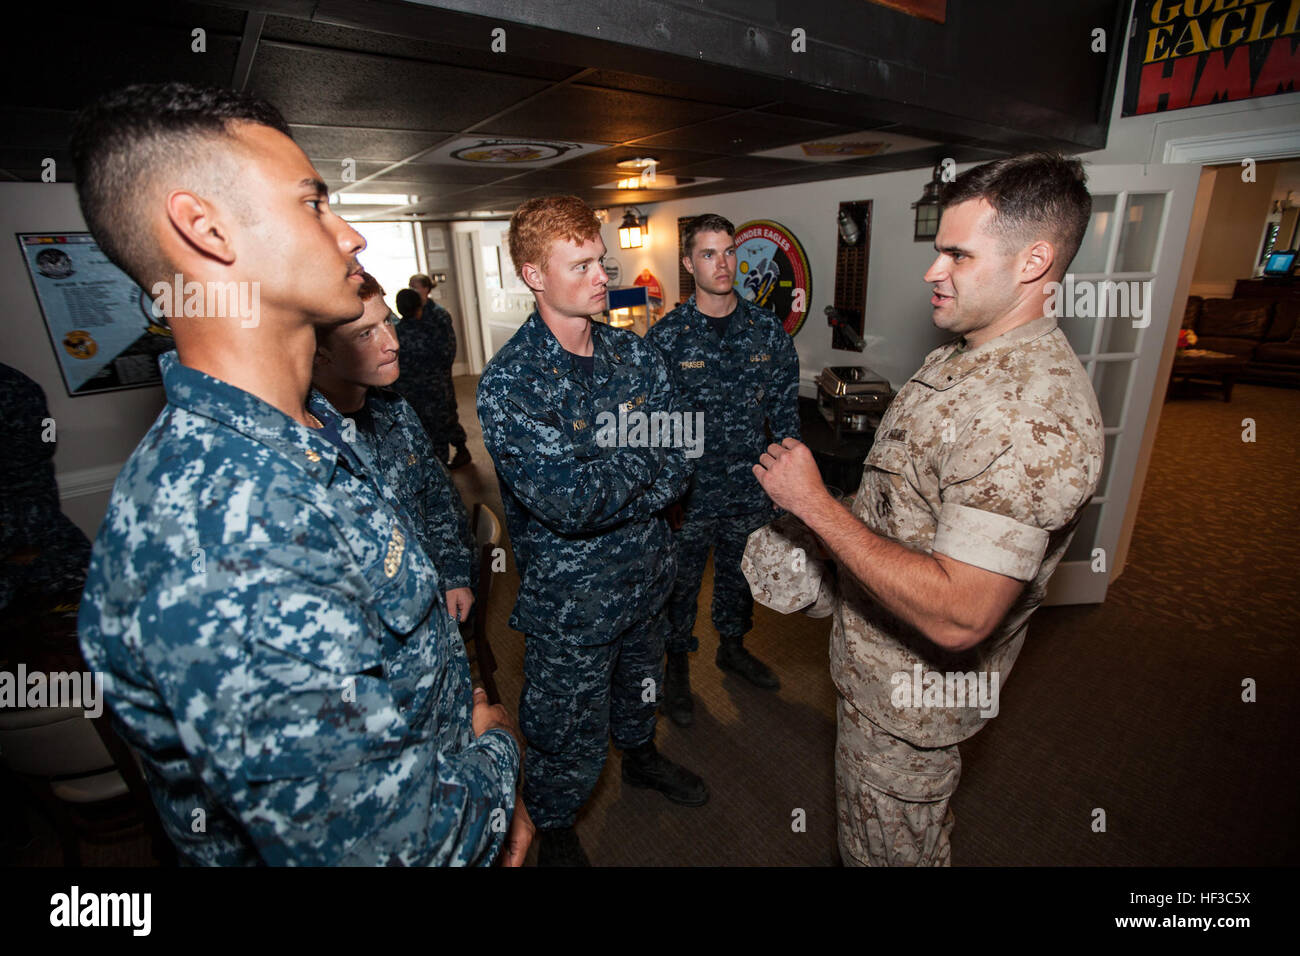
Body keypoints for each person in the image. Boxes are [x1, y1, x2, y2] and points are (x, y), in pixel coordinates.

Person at [72, 81, 528, 866]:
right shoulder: (219, 529)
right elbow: (406, 853)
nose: (348, 235)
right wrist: (498, 753)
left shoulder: (312, 435)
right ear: (204, 228)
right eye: (313, 203)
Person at [752, 153, 1103, 866]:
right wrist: (821, 563)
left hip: (912, 709)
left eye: (957, 253)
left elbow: (960, 612)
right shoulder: (962, 357)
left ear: (1033, 261)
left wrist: (817, 508)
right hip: (876, 672)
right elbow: (910, 506)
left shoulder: (1030, 415)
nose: (932, 271)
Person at [477, 195, 706, 866]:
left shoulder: (632, 356)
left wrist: (621, 472)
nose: (602, 278)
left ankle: (639, 758)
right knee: (564, 726)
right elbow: (567, 505)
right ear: (533, 275)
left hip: (647, 577)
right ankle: (553, 822)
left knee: (642, 689)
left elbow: (685, 454)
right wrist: (642, 459)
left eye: (600, 262)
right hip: (573, 603)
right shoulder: (513, 384)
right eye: (580, 267)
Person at [645, 214, 801, 726]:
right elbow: (653, 426)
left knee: (740, 575)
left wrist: (787, 484)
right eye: (709, 254)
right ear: (689, 264)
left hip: (748, 487)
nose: (723, 263)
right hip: (687, 496)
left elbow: (784, 416)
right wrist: (662, 493)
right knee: (680, 586)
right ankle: (676, 672)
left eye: (730, 251)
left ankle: (732, 648)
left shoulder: (765, 331)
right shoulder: (666, 338)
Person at [311, 271, 480, 625]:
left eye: (387, 320)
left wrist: (454, 575)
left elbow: (439, 500)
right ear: (319, 352)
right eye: (366, 333)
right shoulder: (306, 438)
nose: (393, 342)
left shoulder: (396, 411)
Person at [396, 273, 471, 470]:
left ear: (427, 289)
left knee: (446, 416)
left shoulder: (437, 314)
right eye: (410, 285)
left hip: (437, 379)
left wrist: (441, 373)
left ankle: (459, 448)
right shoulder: (400, 329)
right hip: (416, 386)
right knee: (432, 422)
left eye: (416, 286)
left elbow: (447, 348)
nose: (413, 289)